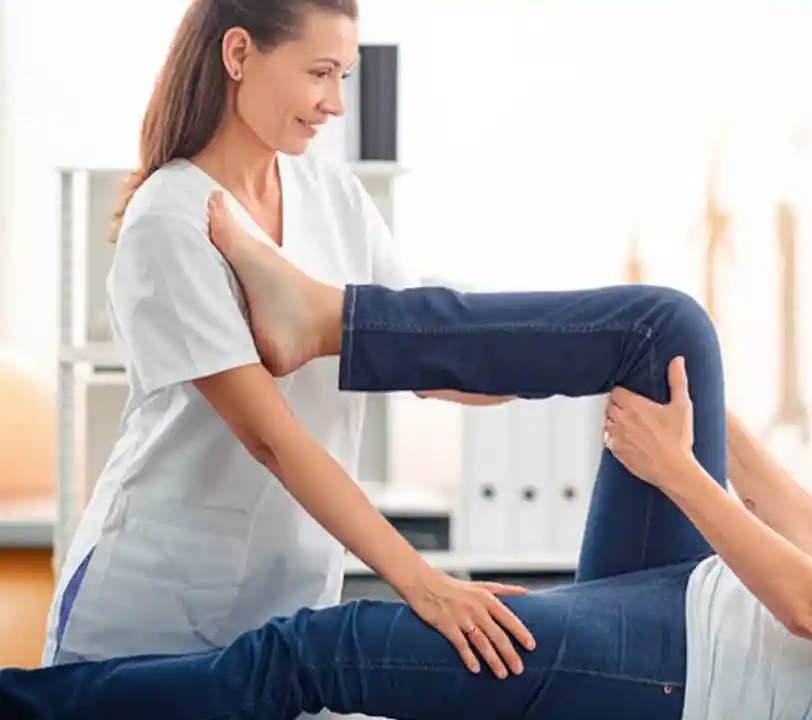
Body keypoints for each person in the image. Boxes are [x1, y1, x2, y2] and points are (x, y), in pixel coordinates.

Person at [5, 206, 812, 719]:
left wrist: (679, 474)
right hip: (687, 603)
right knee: (663, 328)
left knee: (318, 653)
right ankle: (329, 318)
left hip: (674, 671)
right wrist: (714, 427)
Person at [44, 0, 537, 696]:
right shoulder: (172, 217)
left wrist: (579, 368)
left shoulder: (332, 194)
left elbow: (427, 359)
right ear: (239, 54)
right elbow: (270, 435)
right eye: (320, 72)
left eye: (345, 76)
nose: (335, 103)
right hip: (152, 613)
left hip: (286, 602)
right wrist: (423, 584)